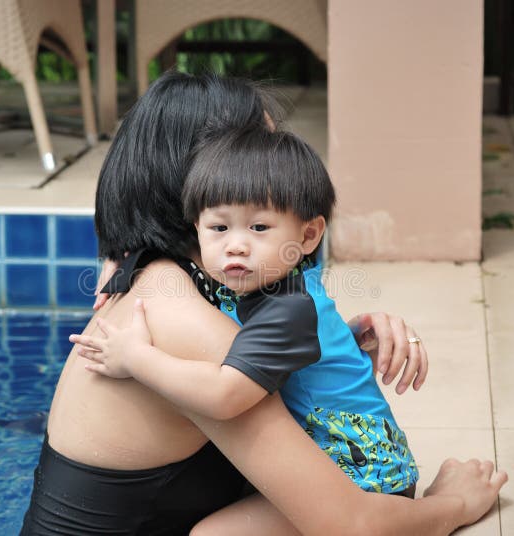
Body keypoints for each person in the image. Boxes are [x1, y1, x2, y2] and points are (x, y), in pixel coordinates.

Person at [20, 71, 506, 536]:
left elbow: (279, 321)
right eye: (258, 152)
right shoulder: (180, 322)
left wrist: (338, 338)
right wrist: (453, 504)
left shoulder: (156, 274)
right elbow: (351, 525)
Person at [79, 126, 420, 521]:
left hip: (366, 480)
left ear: (308, 236)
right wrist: (120, 261)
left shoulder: (287, 308)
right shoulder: (248, 278)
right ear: (197, 230)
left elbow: (226, 396)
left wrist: (135, 358)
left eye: (259, 228)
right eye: (219, 228)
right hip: (317, 464)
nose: (235, 244)